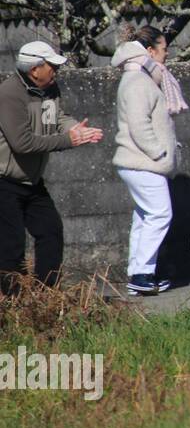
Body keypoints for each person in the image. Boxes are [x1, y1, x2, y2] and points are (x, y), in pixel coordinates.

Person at [0, 41, 104, 295]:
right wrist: (68, 141)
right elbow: (22, 143)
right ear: (34, 69)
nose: (55, 71)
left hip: (32, 181)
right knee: (11, 245)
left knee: (51, 231)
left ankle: (45, 295)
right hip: (5, 181)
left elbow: (57, 117)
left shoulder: (50, 88)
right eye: (51, 66)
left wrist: (73, 128)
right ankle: (11, 302)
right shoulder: (9, 94)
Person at [111, 26, 187, 296]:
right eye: (164, 48)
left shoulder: (138, 79)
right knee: (160, 213)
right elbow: (139, 124)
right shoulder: (138, 82)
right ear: (151, 51)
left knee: (145, 217)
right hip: (143, 162)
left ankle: (140, 274)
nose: (166, 54)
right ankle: (142, 273)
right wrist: (159, 152)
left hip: (138, 162)